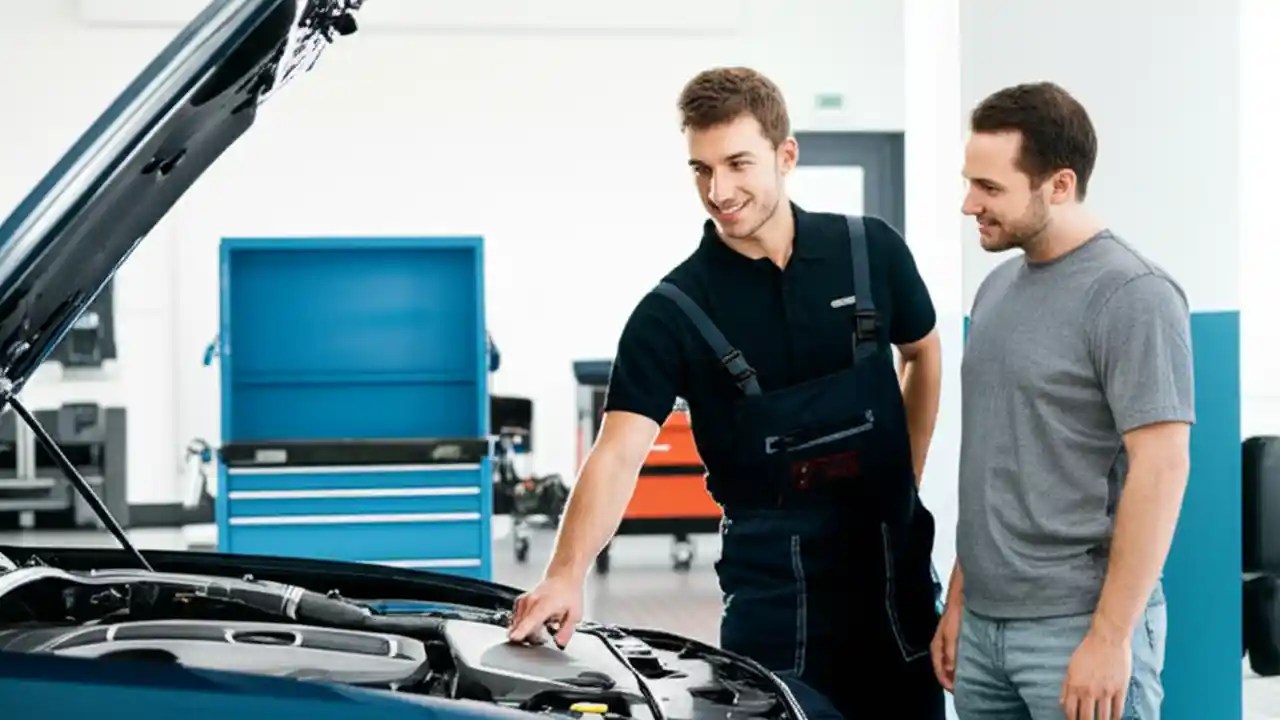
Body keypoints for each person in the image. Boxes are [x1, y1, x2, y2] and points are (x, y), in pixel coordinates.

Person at [506, 66, 946, 720]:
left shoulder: (871, 252)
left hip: (894, 592)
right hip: (777, 606)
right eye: (701, 169)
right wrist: (567, 571)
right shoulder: (673, 311)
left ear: (785, 155)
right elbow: (619, 452)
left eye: (738, 163)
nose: (719, 189)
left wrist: (906, 472)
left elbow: (923, 354)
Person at [931, 81, 1194, 720]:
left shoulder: (1133, 294)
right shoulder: (996, 290)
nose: (969, 204)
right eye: (970, 182)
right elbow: (997, 459)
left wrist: (1109, 638)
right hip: (985, 626)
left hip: (1076, 625)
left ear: (1059, 184)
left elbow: (1161, 472)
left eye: (990, 189)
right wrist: (961, 598)